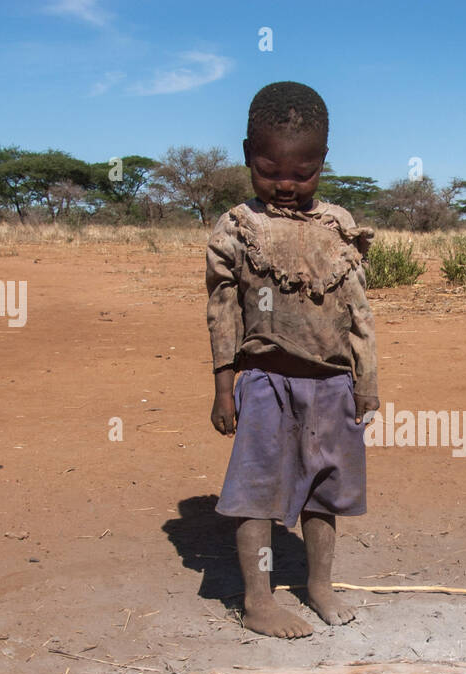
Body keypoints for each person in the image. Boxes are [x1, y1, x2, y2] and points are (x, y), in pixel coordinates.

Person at [206, 81, 379, 638]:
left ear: (323, 162)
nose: (285, 184)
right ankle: (257, 600)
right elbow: (222, 311)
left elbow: (359, 316)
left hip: (332, 386)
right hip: (264, 383)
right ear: (246, 155)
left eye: (303, 174)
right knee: (256, 494)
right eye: (269, 170)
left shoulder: (338, 226)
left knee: (324, 494)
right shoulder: (238, 228)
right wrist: (223, 383)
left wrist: (367, 383)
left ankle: (318, 585)